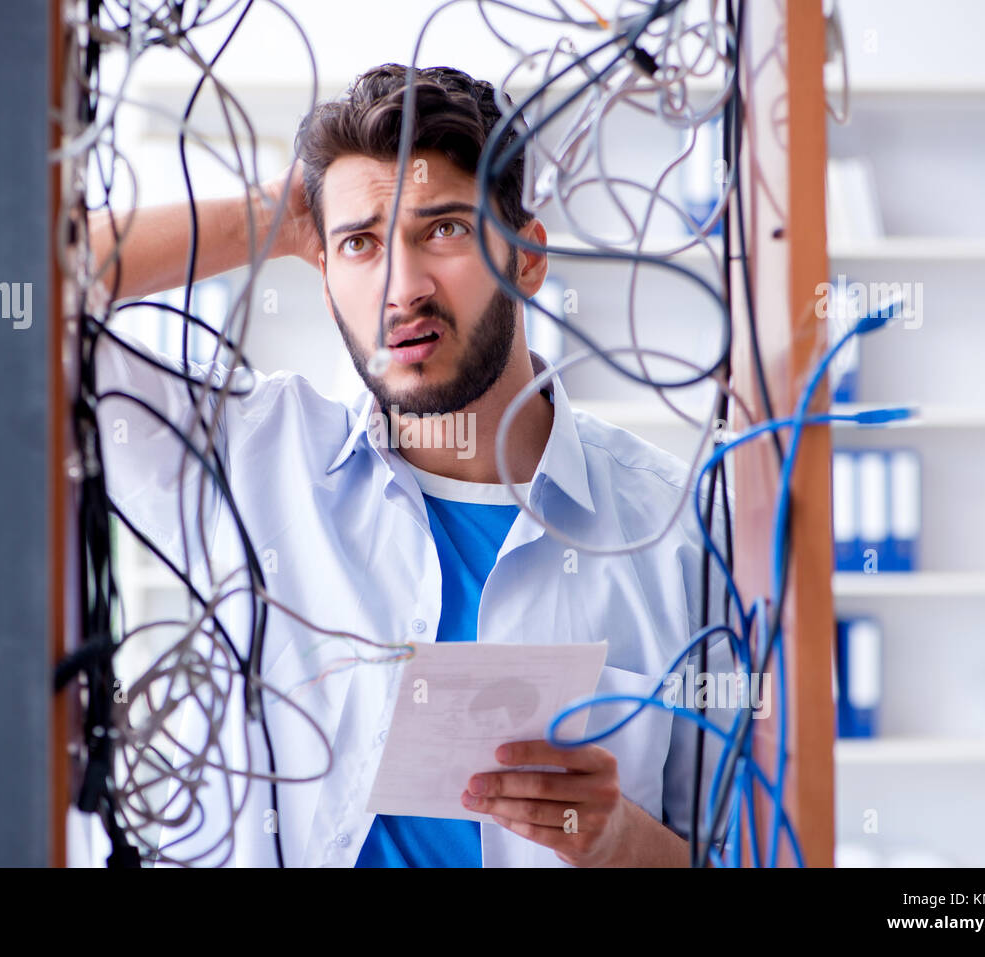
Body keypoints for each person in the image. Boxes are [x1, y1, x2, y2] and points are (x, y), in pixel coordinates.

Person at [88, 63, 732, 868]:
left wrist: (624, 842)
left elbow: (765, 846)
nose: (403, 288)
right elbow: (15, 288)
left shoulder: (674, 530)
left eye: (444, 230)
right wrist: (269, 216)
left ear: (528, 256)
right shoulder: (248, 457)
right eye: (361, 244)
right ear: (322, 279)